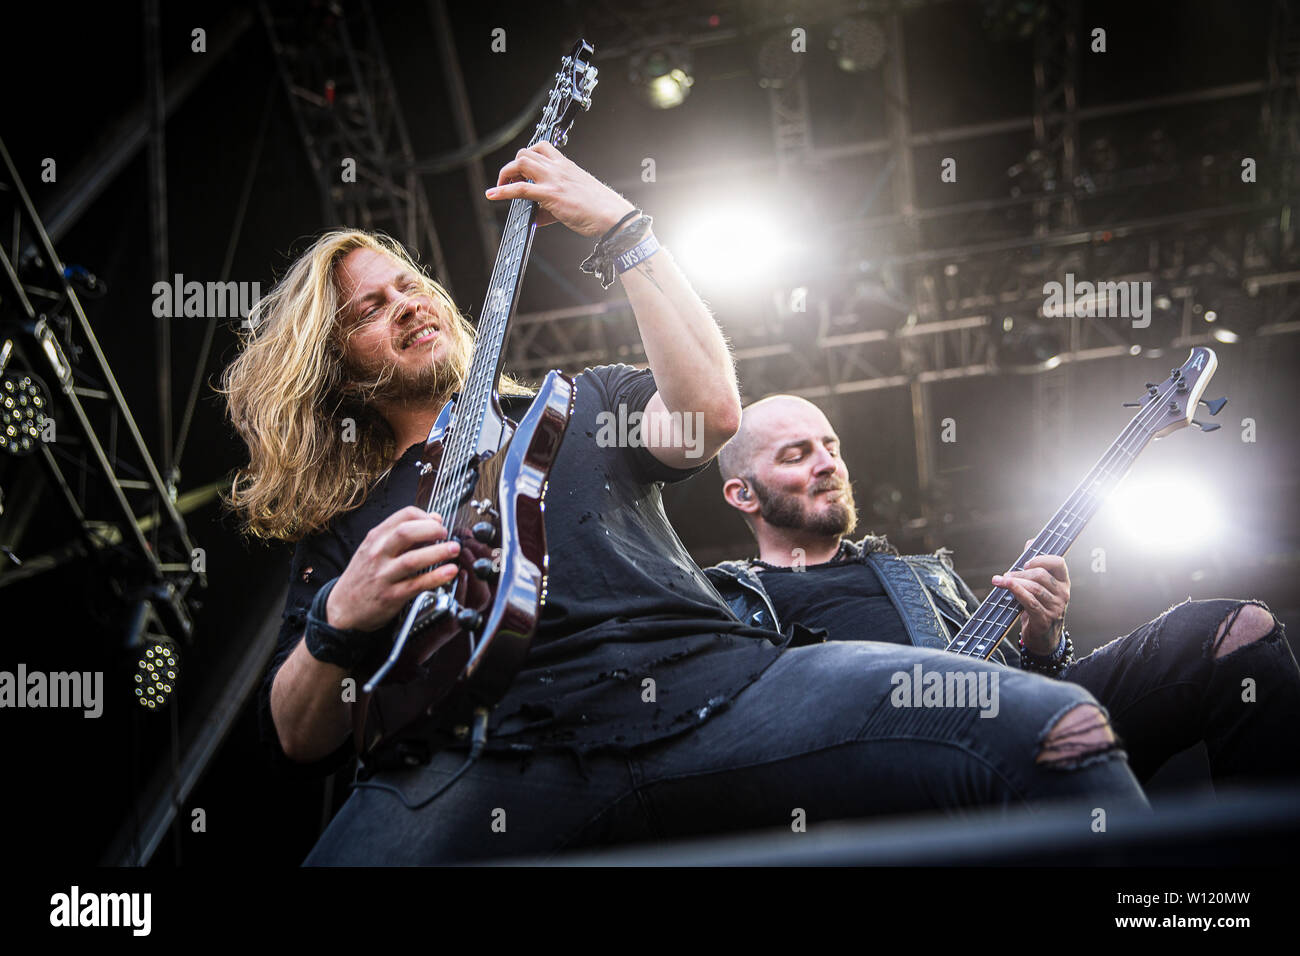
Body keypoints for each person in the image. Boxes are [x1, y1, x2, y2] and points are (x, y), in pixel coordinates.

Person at [221, 143, 1146, 865]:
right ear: (334, 363)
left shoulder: (575, 406)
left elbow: (706, 415)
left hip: (717, 690)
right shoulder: (346, 514)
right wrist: (340, 621)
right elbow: (301, 737)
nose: (408, 303)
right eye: (370, 310)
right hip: (482, 757)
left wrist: (626, 232)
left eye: (410, 284)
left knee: (1051, 728)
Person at [706, 394, 1300, 786]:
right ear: (744, 494)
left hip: (1007, 728)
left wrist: (1045, 641)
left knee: (1238, 631)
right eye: (797, 454)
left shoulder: (921, 576)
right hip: (871, 783)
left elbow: (1032, 686)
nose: (827, 462)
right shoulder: (723, 606)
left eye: (831, 446)